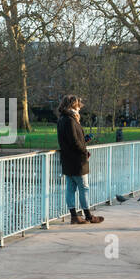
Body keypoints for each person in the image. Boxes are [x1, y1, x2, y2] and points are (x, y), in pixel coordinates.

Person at [56, 94, 103, 225]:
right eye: (78, 105)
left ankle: (74, 216)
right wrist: (85, 151)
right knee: (84, 188)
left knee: (70, 189)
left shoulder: (62, 119)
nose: (80, 108)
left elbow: (72, 140)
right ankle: (88, 216)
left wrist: (84, 139)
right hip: (76, 160)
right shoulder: (70, 120)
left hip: (68, 159)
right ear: (73, 105)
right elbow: (75, 142)